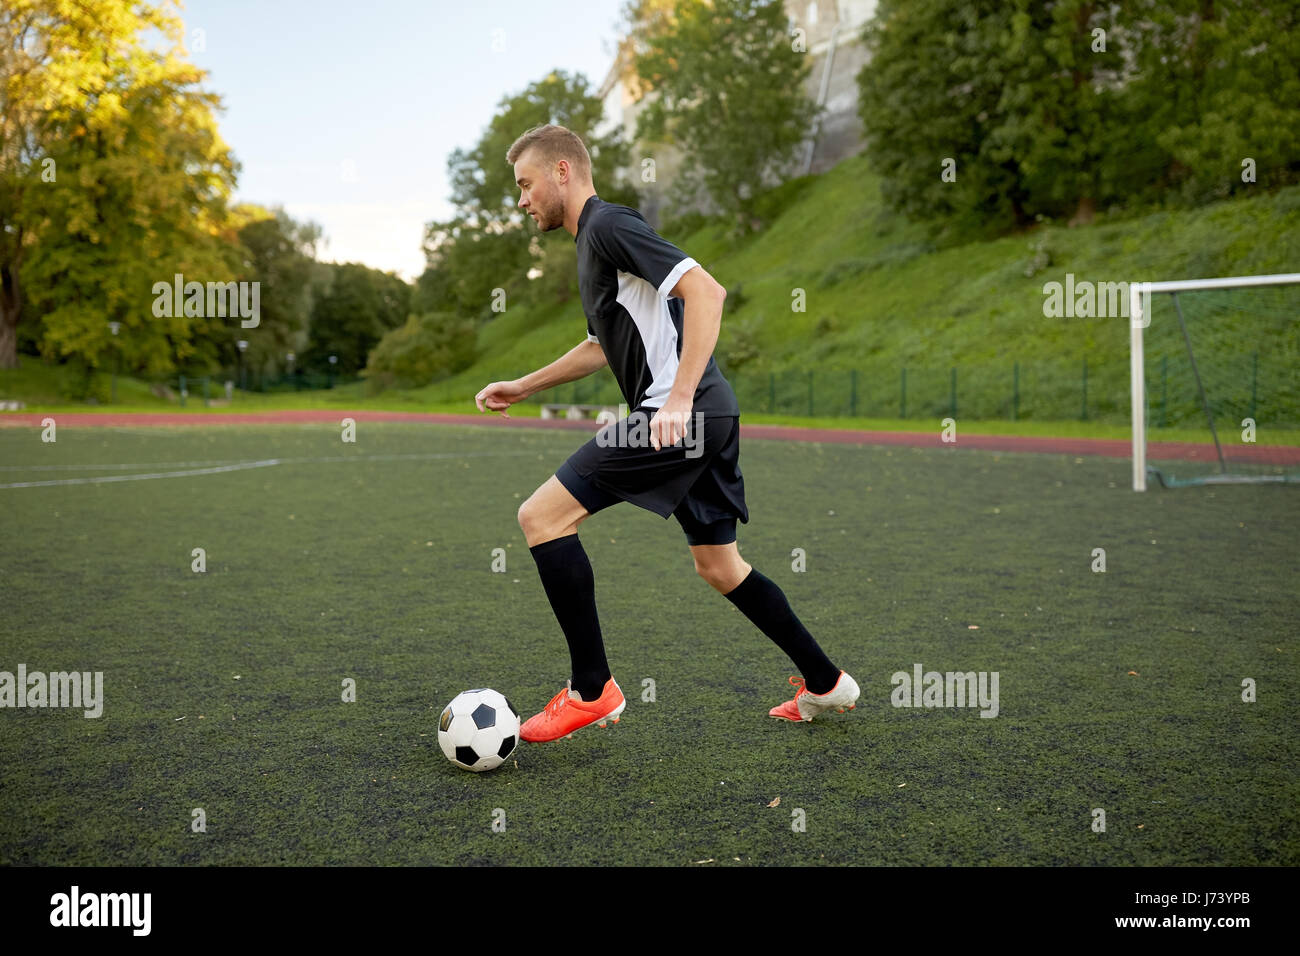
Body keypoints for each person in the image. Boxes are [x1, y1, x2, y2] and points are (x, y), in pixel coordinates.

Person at [474, 124, 859, 743]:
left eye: (526, 184)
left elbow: (707, 290)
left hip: (678, 414)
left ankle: (591, 689)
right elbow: (601, 346)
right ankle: (825, 681)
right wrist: (523, 386)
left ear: (563, 172)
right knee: (719, 565)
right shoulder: (590, 246)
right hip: (711, 412)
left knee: (541, 517)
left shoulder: (606, 225)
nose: (522, 200)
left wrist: (677, 399)